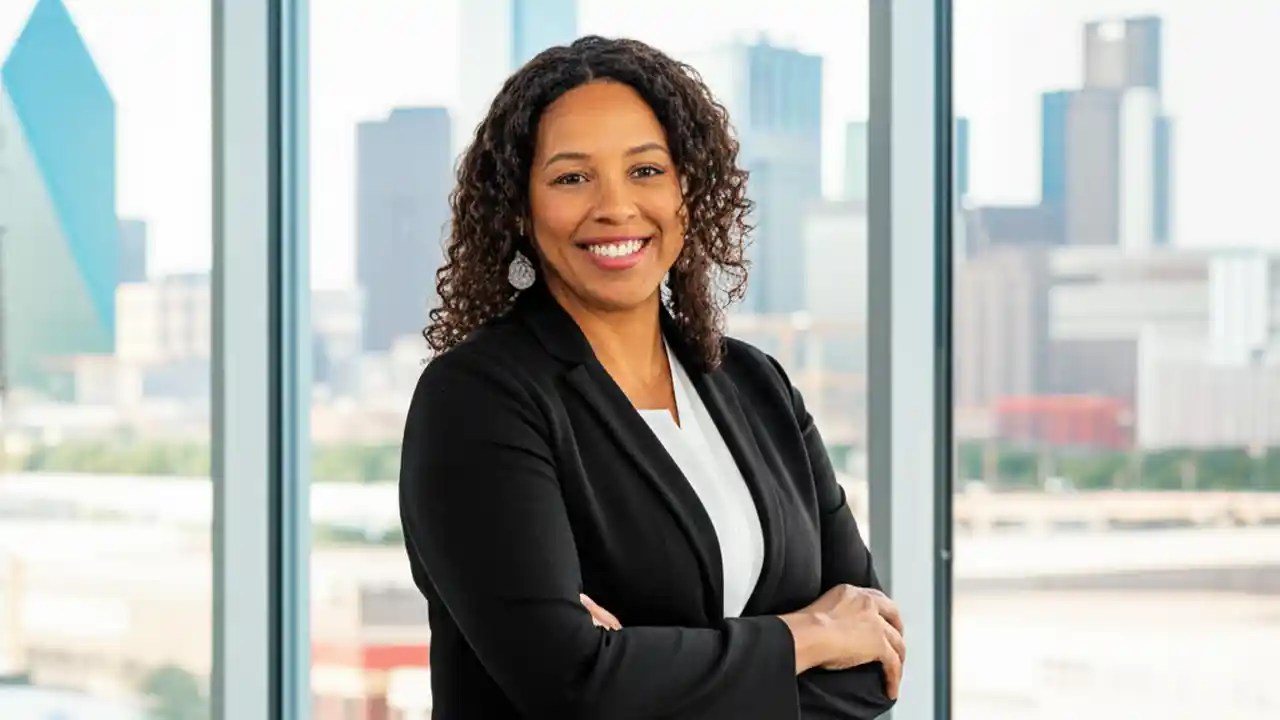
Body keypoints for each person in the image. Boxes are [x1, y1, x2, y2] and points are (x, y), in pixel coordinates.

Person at [399, 35, 906, 719]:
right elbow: (570, 686)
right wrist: (806, 635)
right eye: (572, 177)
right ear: (519, 211)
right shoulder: (478, 399)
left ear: (687, 193)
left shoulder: (757, 386)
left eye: (645, 171)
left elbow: (875, 661)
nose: (615, 207)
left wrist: (641, 665)